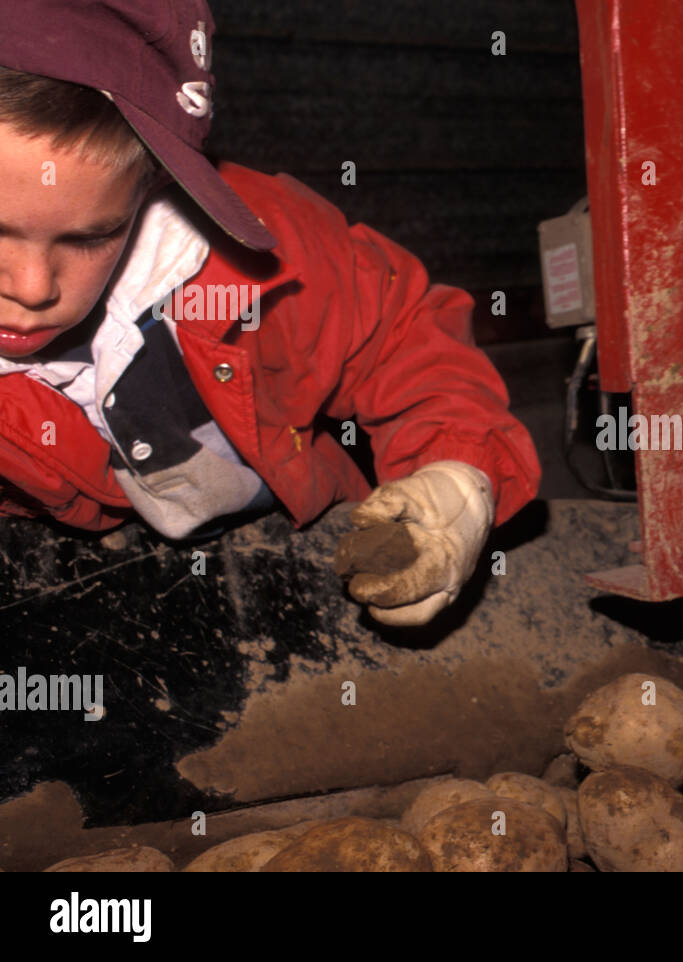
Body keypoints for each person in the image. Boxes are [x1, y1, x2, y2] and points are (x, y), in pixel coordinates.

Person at [0, 1, 541, 626]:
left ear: (152, 184)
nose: (34, 288)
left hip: (297, 577)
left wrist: (455, 473)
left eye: (91, 236)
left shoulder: (260, 255)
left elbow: (398, 332)